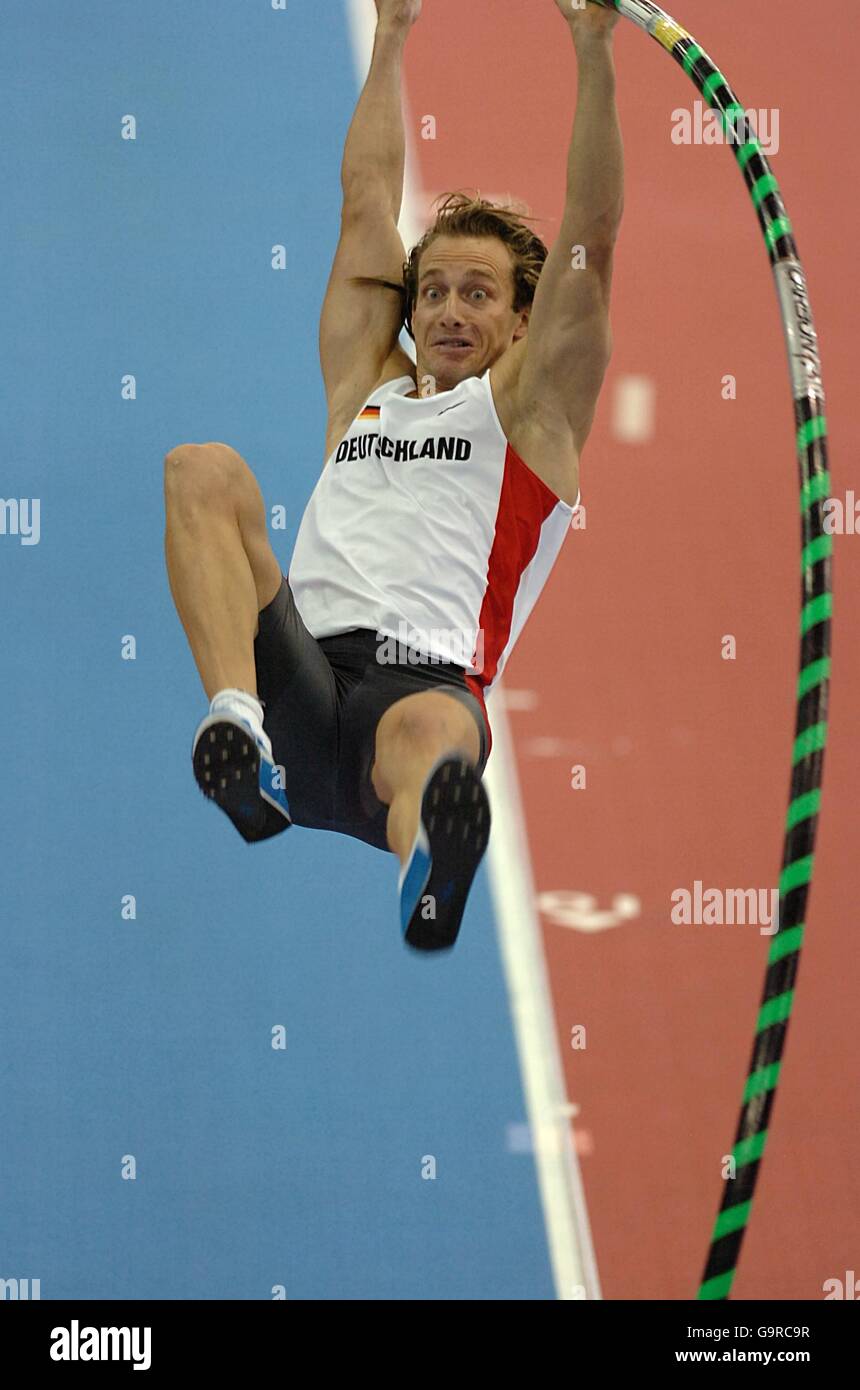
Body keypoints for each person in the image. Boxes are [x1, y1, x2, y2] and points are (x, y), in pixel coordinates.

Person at [162, 0, 623, 952]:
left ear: (526, 321)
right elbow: (366, 204)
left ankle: (430, 873)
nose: (450, 310)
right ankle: (237, 732)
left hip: (420, 690)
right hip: (296, 677)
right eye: (436, 291)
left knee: (431, 748)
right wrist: (394, 33)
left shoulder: (530, 420)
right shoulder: (367, 389)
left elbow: (592, 240)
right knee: (200, 471)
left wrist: (592, 46)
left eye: (479, 293)